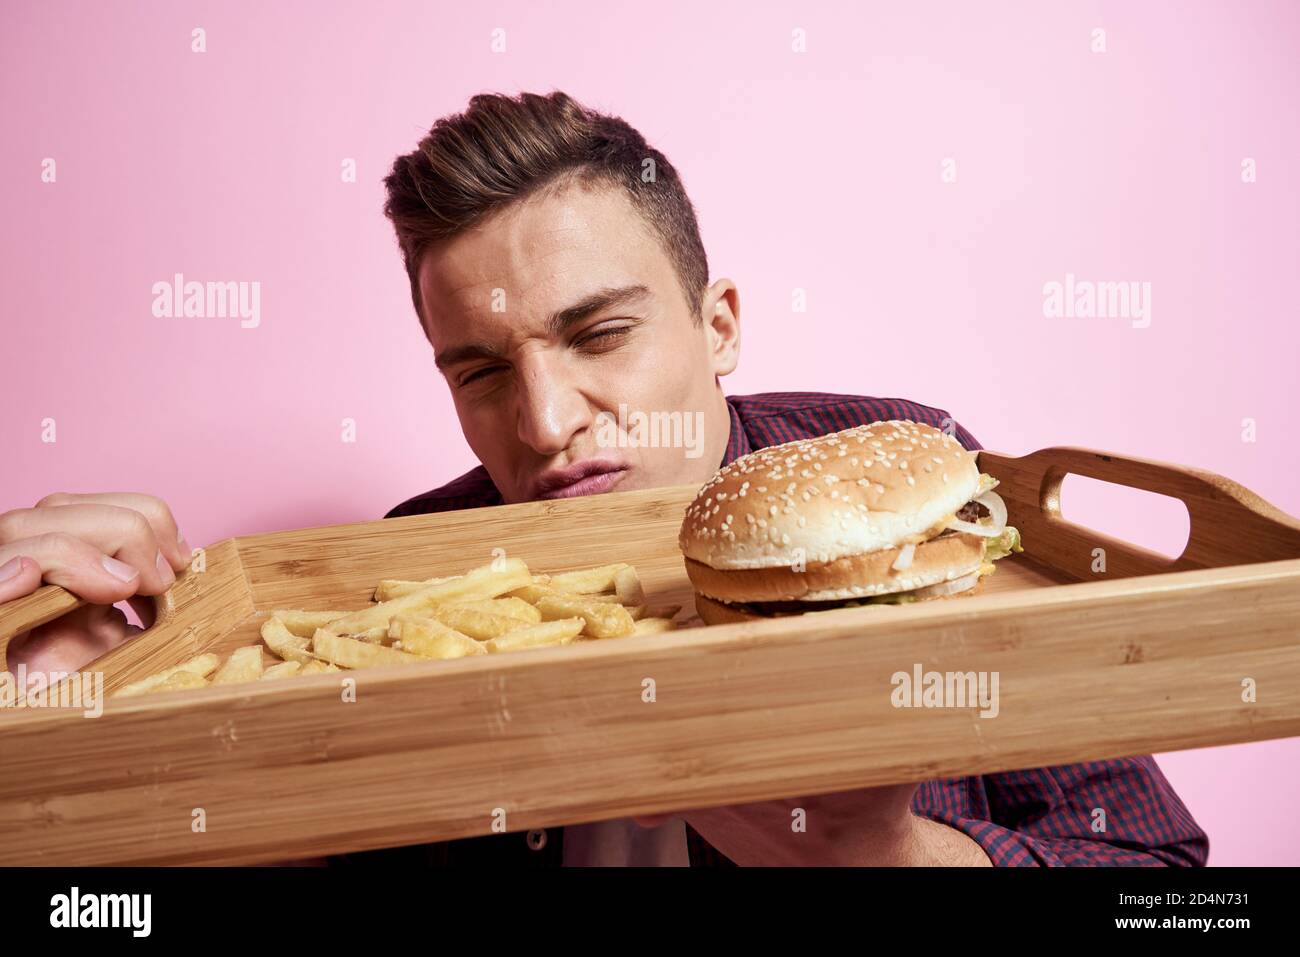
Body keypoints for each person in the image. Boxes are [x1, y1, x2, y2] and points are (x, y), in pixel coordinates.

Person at [0, 91, 1208, 867]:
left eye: (598, 335)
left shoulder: (909, 482)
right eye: (477, 370)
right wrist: (59, 735)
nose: (540, 421)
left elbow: (1175, 889)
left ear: (718, 323)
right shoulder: (393, 595)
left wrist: (885, 863)